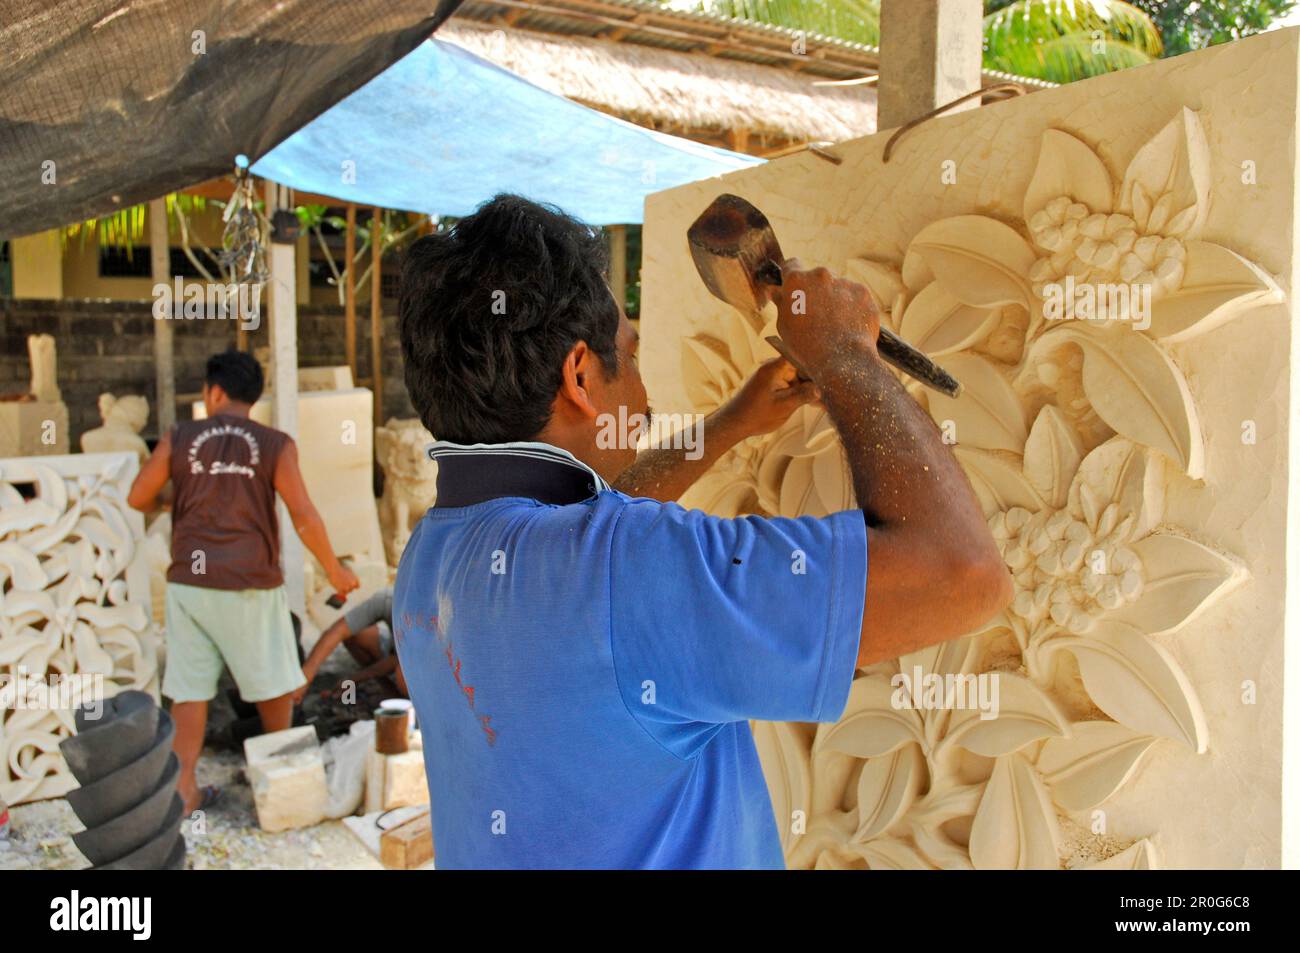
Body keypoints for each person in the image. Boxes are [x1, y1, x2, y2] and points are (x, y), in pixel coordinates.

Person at [394, 194, 1013, 868]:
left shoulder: (434, 555)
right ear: (579, 375)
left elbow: (580, 553)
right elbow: (965, 576)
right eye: (628, 357)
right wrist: (844, 357)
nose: (645, 393)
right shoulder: (625, 571)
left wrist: (729, 426)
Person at [127, 349, 359, 815]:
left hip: (190, 584)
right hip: (250, 581)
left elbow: (138, 496)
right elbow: (303, 515)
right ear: (254, 397)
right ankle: (280, 793)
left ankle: (184, 792)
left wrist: (182, 497)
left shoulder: (180, 436)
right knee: (273, 686)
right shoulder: (275, 443)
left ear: (214, 392)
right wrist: (335, 568)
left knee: (190, 690)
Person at [296, 587, 406, 701]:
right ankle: (390, 692)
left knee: (402, 674)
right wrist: (306, 676)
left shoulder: (423, 611)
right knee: (356, 635)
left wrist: (354, 679)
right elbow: (339, 630)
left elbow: (397, 661)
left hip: (418, 663)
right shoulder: (389, 599)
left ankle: (414, 707)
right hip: (396, 648)